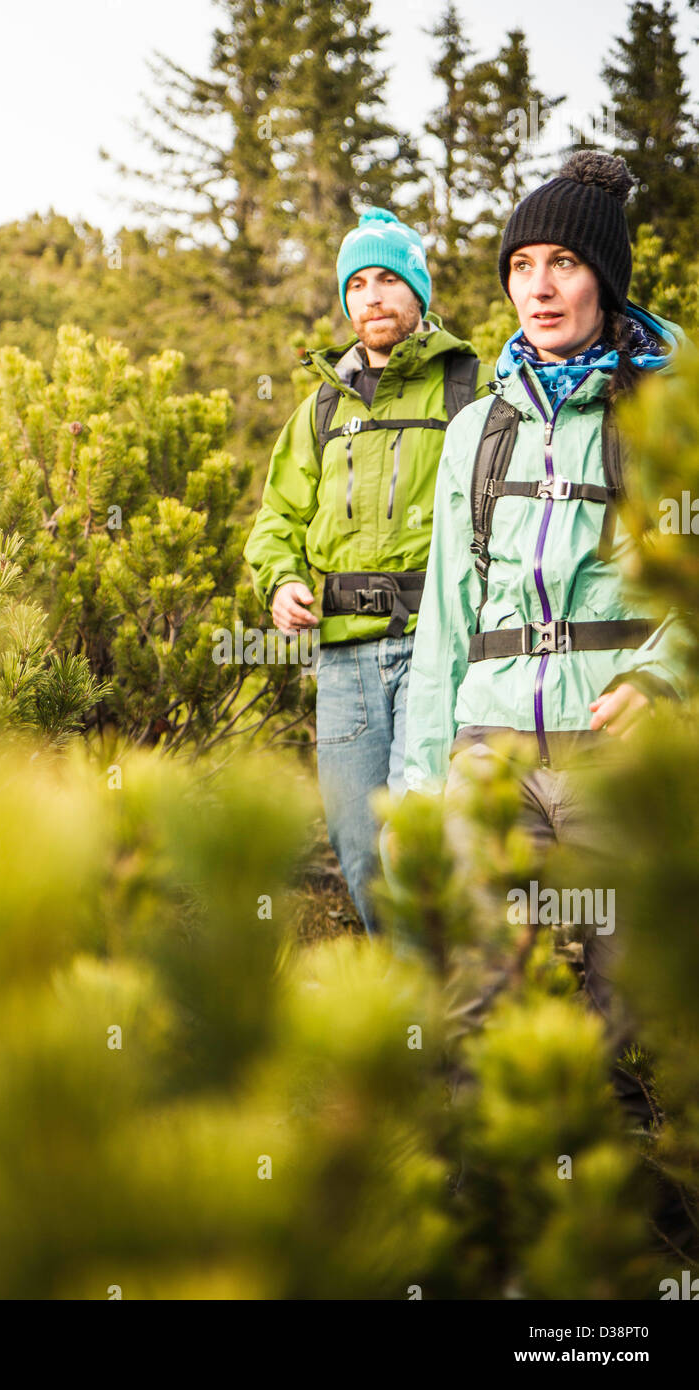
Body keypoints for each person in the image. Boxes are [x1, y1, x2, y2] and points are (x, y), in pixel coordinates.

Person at [394, 150, 691, 1119]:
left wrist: (659, 682)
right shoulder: (476, 431)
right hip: (486, 745)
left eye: (562, 262)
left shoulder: (662, 419)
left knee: (634, 998)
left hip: (612, 748)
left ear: (602, 279)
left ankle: (636, 1219)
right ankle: (491, 1208)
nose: (538, 286)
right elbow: (444, 615)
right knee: (479, 989)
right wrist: (415, 782)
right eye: (521, 266)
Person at [244, 207, 493, 936]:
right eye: (358, 284)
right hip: (344, 655)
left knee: (424, 834)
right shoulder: (320, 408)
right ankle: (402, 1007)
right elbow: (276, 519)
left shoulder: (466, 390)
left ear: (417, 290)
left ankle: (447, 1004)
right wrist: (283, 580)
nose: (372, 298)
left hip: (434, 645)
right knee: (357, 846)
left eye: (389, 279)